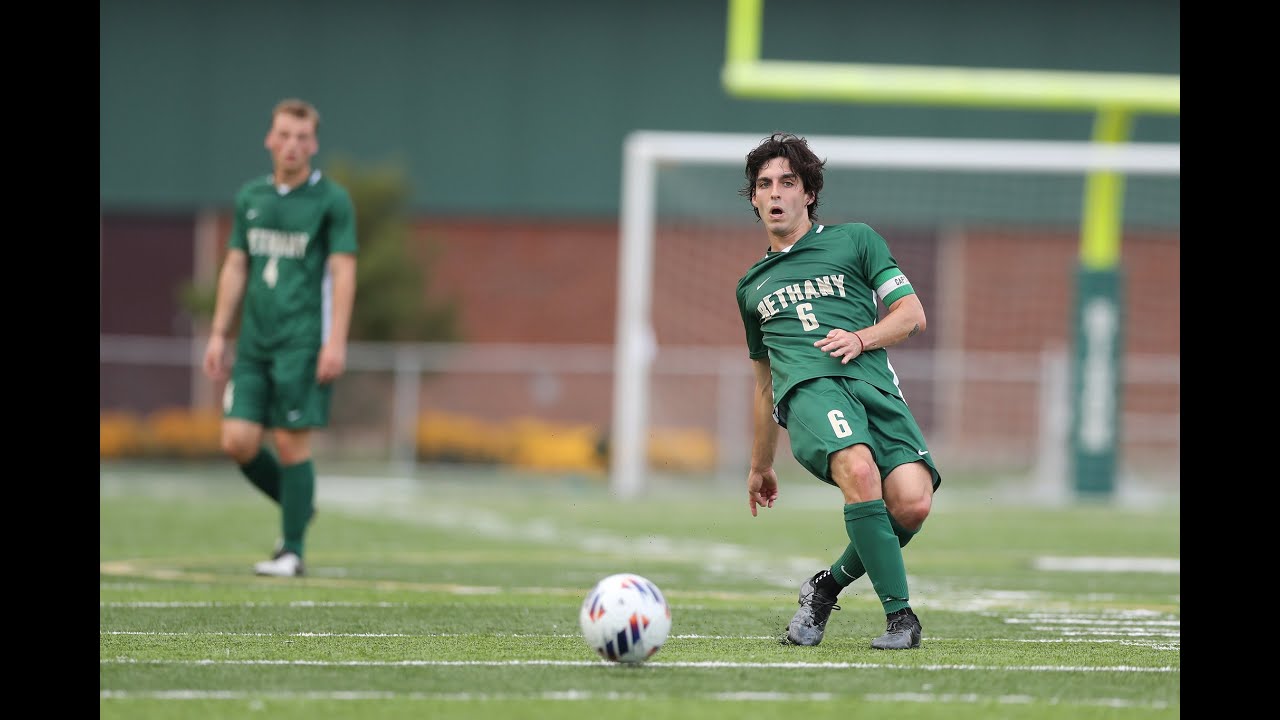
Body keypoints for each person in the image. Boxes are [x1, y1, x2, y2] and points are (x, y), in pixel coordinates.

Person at [734, 132, 941, 650]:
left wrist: (861, 338)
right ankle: (901, 618)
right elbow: (764, 383)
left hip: (874, 389)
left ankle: (825, 588)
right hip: (811, 393)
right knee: (860, 470)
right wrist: (761, 465)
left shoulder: (857, 240)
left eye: (788, 182)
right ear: (754, 198)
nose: (776, 192)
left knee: (912, 504)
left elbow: (912, 315)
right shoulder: (752, 287)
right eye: (765, 184)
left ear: (808, 194)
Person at [202, 98, 358, 577]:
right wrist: (218, 333)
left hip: (302, 342)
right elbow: (236, 265)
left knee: (291, 444)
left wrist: (336, 342)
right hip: (254, 344)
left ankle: (291, 550)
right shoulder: (251, 197)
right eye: (284, 135)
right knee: (238, 441)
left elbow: (343, 271)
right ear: (269, 139)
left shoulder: (331, 201)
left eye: (302, 137)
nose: (292, 145)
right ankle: (299, 504)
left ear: (314, 144)